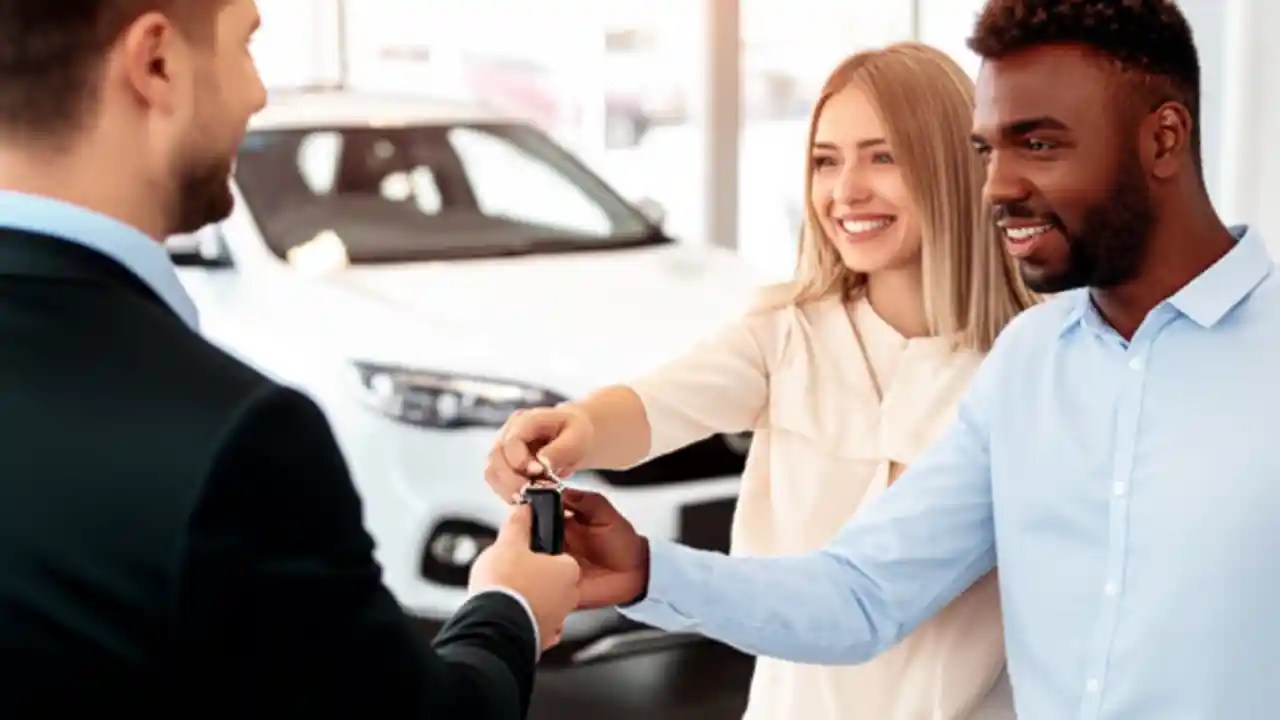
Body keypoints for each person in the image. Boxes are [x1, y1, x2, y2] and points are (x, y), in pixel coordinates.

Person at [489, 1, 1280, 718]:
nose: (998, 186)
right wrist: (645, 568)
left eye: (1037, 143)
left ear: (1163, 139)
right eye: (987, 150)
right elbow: (864, 593)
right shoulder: (1030, 364)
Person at [0, 1, 579, 717]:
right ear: (157, 63)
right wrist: (510, 608)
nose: (258, 91)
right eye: (246, 45)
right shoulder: (237, 439)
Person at [487, 42, 1035, 719]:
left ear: (956, 163)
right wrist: (581, 429)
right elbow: (659, 404)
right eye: (825, 161)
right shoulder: (786, 332)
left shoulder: (1030, 361)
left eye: (883, 155)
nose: (846, 190)